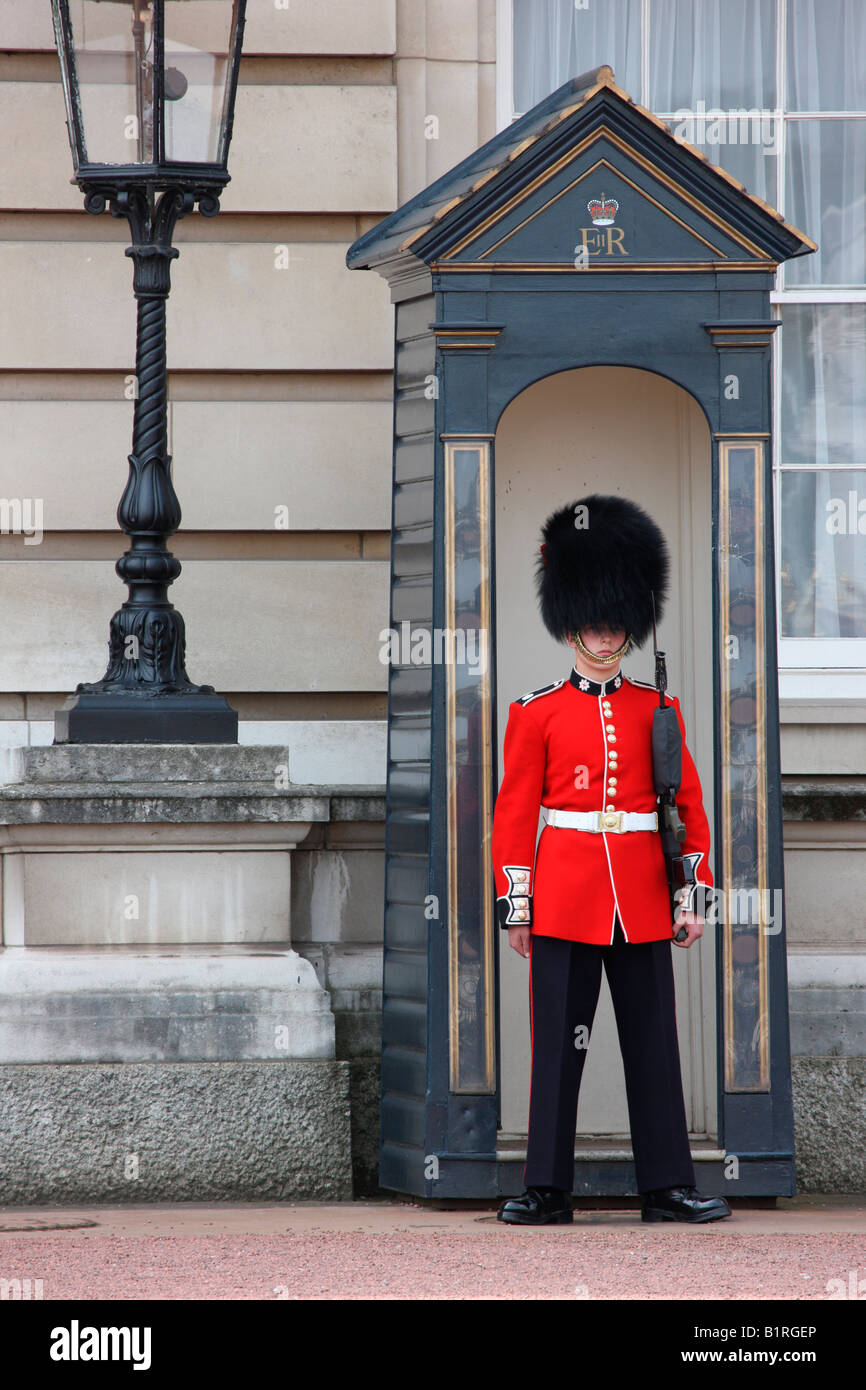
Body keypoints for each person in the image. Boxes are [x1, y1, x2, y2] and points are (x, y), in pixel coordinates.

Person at [493, 494, 731, 1226]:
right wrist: (517, 906)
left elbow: (688, 809)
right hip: (564, 892)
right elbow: (511, 817)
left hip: (642, 895)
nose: (604, 631)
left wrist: (696, 897)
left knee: (654, 1043)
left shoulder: (659, 708)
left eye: (614, 618)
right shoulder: (535, 712)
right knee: (557, 1048)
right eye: (593, 618)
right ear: (571, 625)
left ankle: (665, 1186)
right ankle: (547, 1187)